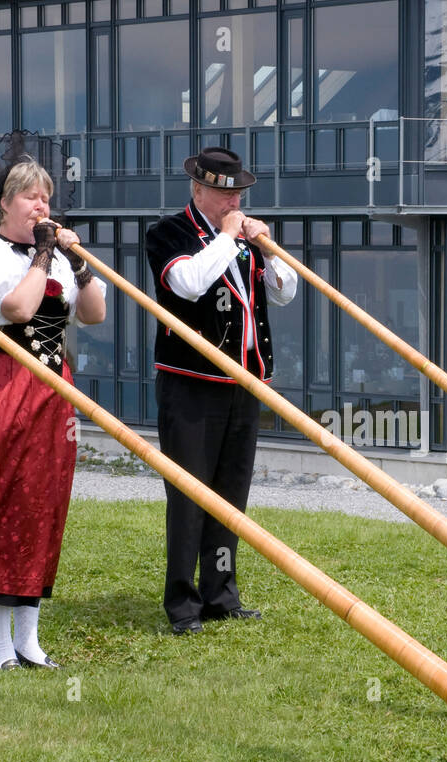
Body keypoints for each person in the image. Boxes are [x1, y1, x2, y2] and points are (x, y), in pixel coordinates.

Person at [0, 157, 107, 669]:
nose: (42, 205)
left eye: (47, 197)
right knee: (1, 499)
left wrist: (78, 262)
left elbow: (94, 313)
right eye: (31, 197)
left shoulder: (57, 255)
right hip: (5, 383)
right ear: (5, 203)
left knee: (44, 503)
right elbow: (16, 309)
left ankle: (29, 637)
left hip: (55, 391)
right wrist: (41, 253)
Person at [145, 147, 297, 634]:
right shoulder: (168, 233)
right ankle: (182, 604)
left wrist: (269, 249)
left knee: (231, 494)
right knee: (190, 496)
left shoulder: (245, 240)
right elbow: (187, 283)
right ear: (198, 190)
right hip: (191, 385)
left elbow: (284, 292)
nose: (234, 200)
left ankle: (220, 595)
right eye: (224, 192)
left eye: (239, 192)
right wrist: (229, 239)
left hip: (245, 383)